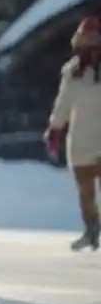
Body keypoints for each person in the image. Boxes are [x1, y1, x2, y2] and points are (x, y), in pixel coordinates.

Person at [44, 16, 101, 252]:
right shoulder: (72, 73)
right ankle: (92, 230)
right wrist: (55, 127)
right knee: (85, 190)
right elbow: (63, 103)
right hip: (80, 141)